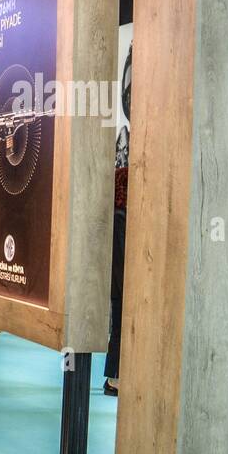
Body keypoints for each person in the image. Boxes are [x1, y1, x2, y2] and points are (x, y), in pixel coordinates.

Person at [104, 166, 128, 395]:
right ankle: (113, 380)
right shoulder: (119, 217)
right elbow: (120, 256)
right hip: (121, 283)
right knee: (120, 330)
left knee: (120, 330)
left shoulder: (118, 215)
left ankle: (114, 378)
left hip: (120, 282)